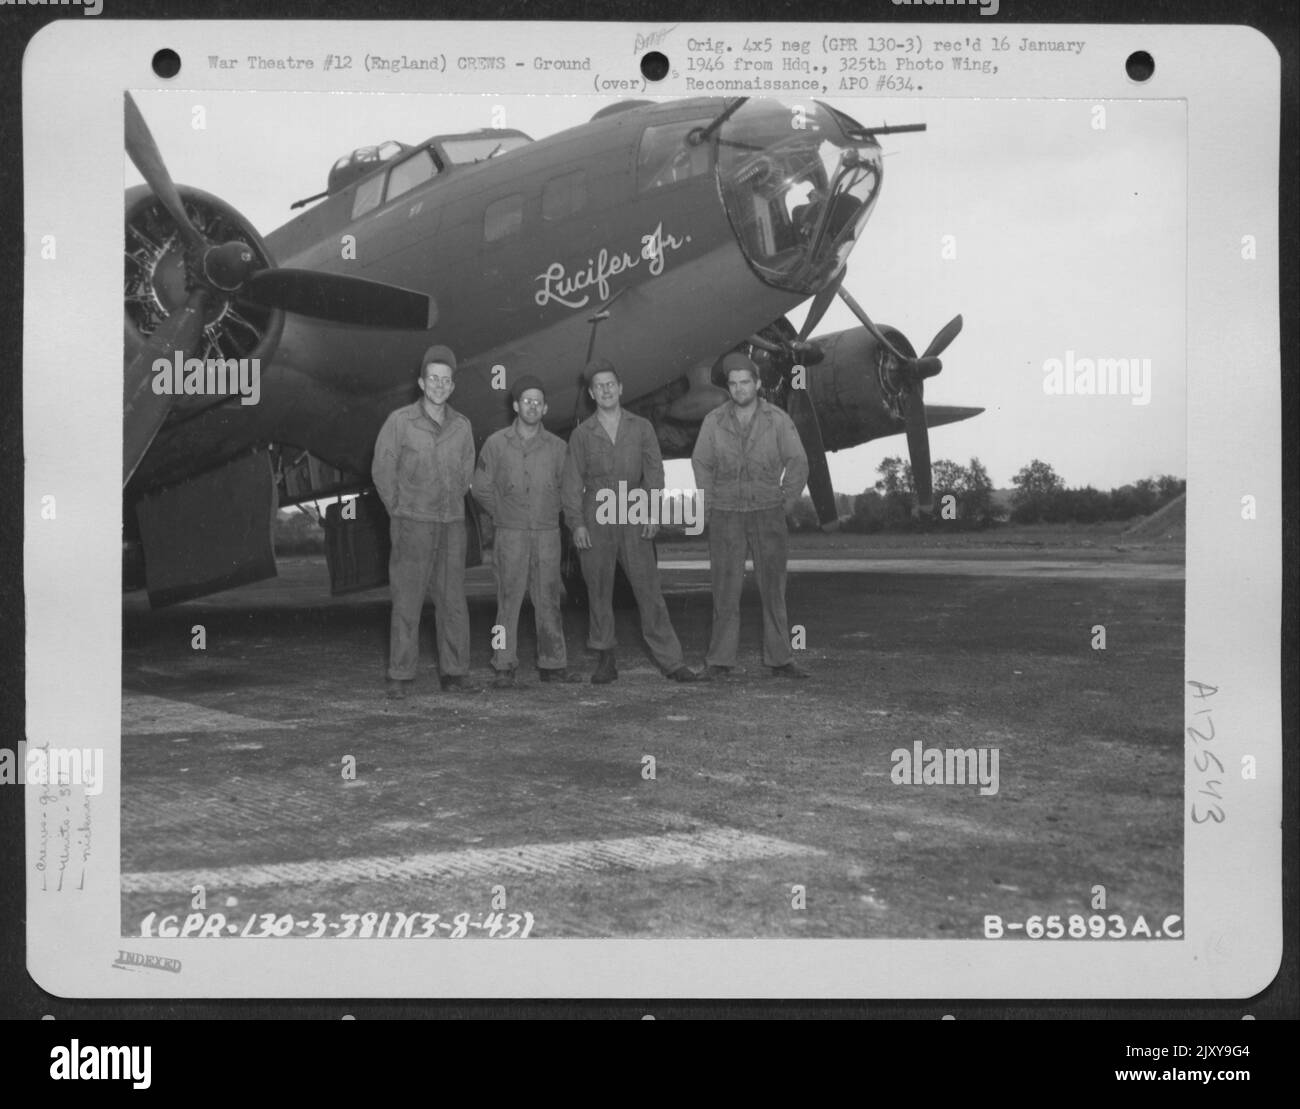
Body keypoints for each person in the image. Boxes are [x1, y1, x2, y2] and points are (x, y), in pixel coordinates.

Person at [561, 358, 697, 685]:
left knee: (648, 589)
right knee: (598, 589)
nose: (606, 390)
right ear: (592, 394)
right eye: (599, 386)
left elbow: (654, 472)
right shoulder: (581, 434)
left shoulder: (642, 427)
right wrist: (577, 523)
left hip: (633, 506)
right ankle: (606, 659)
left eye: (611, 384)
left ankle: (672, 662)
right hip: (596, 509)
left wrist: (652, 510)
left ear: (620, 388)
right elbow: (570, 482)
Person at [691, 351, 811, 680]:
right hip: (726, 513)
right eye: (734, 384)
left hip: (767, 511)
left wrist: (784, 500)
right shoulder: (713, 421)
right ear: (728, 388)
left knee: (773, 588)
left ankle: (781, 659)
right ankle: (718, 661)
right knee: (724, 589)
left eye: (746, 382)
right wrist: (709, 501)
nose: (740, 389)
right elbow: (701, 462)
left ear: (757, 384)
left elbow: (798, 461)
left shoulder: (778, 419)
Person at [371, 344, 479, 698]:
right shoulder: (399, 422)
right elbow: (382, 471)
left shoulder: (462, 427)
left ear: (452, 387)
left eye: (445, 380)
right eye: (433, 378)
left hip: (450, 524)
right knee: (407, 600)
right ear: (421, 382)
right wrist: (400, 510)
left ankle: (455, 672)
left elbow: (465, 474)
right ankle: (401, 675)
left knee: (453, 601)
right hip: (412, 523)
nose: (438, 385)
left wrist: (446, 506)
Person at [472, 375, 582, 688]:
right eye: (526, 401)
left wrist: (551, 511)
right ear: (517, 405)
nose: (532, 406)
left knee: (549, 600)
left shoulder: (558, 447)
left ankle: (553, 665)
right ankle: (503, 665)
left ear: (545, 408)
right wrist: (503, 513)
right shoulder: (495, 444)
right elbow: (481, 488)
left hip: (547, 535)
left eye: (538, 402)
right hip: (510, 535)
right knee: (507, 602)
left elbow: (570, 488)